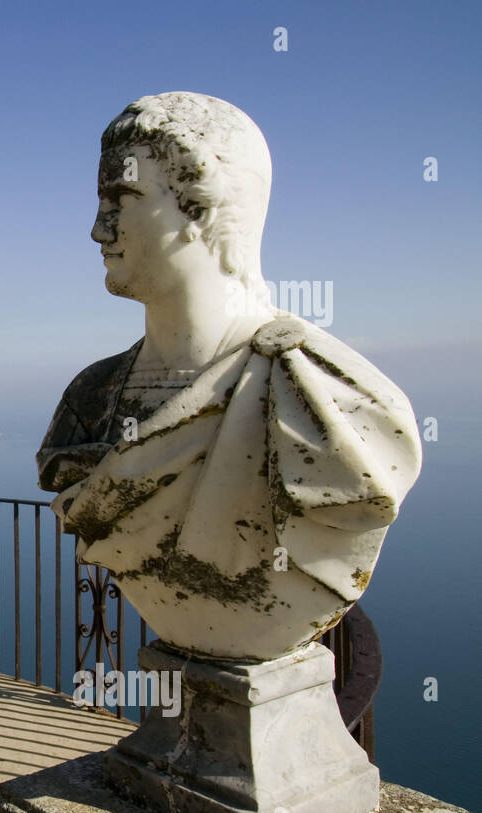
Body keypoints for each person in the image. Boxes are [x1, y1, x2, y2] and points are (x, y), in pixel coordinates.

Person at [37, 92, 421, 660]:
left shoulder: (321, 393)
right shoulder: (88, 400)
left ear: (201, 209)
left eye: (122, 197)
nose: (98, 229)